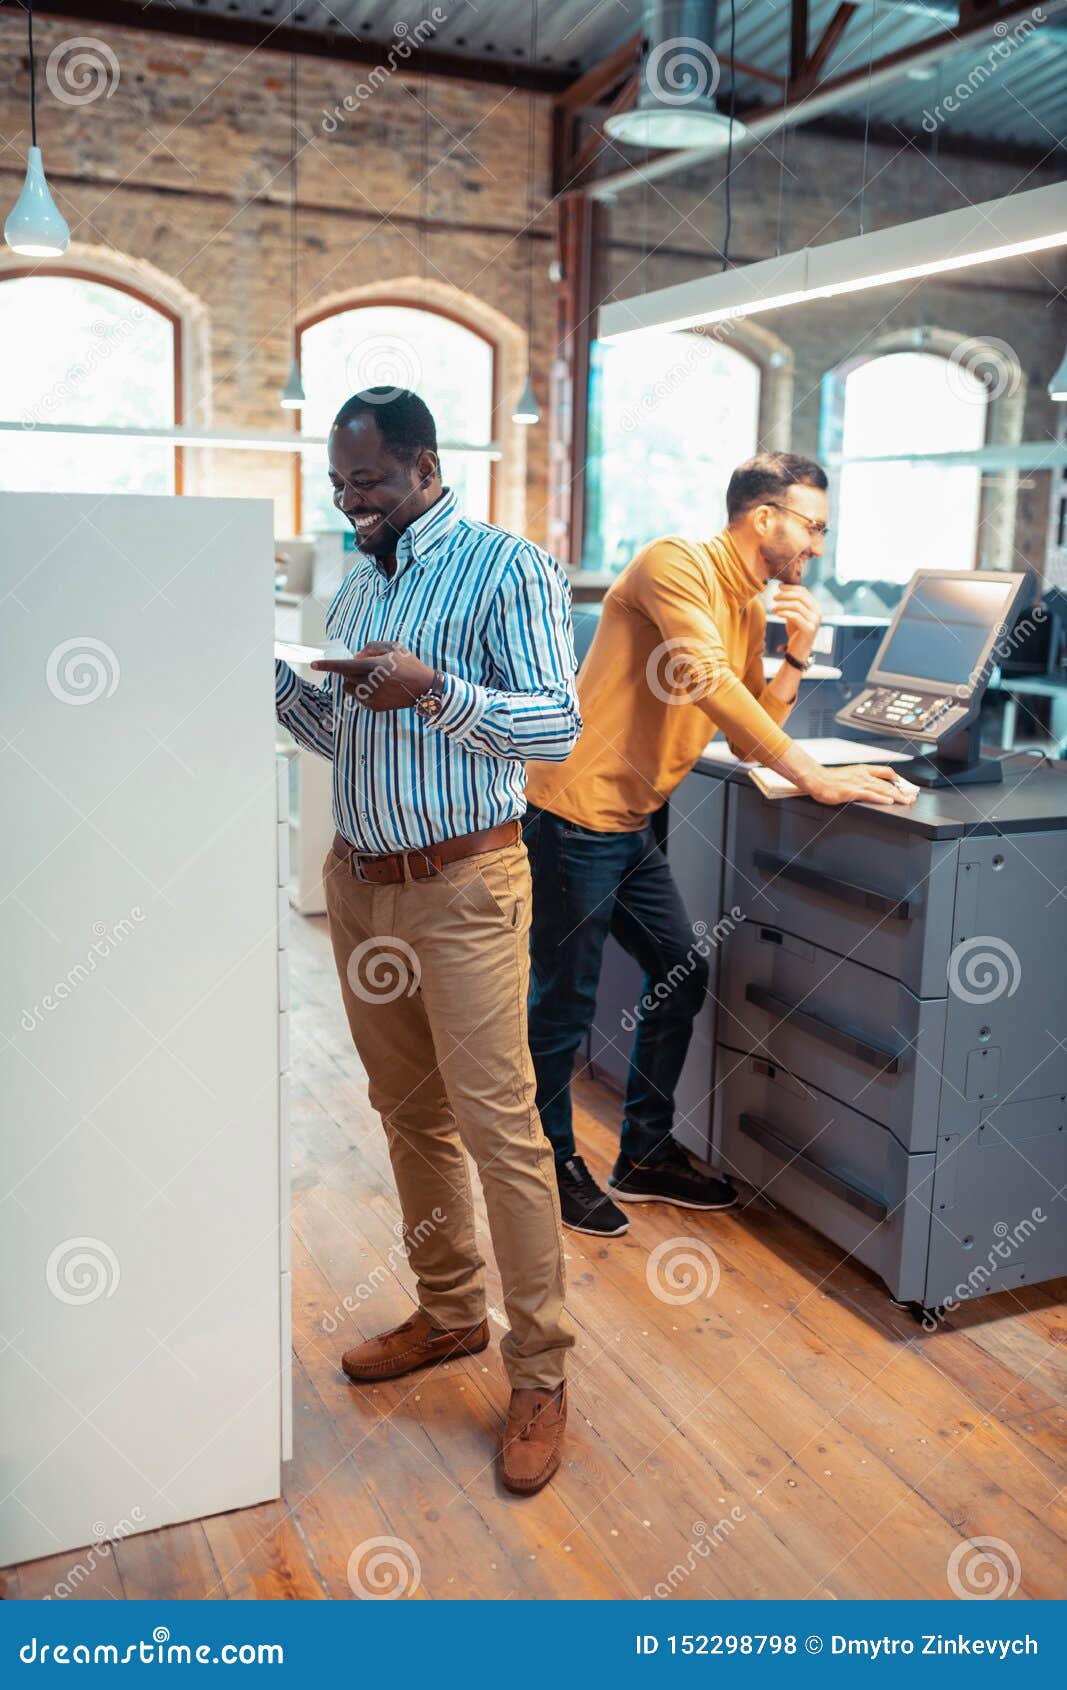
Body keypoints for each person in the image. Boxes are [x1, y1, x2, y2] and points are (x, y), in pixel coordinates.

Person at [276, 388, 579, 1496]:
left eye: (367, 481)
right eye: (340, 482)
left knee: (501, 1127)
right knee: (405, 1114)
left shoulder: (510, 566)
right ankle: (451, 1312)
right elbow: (342, 729)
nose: (350, 501)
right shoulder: (360, 577)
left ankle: (539, 1369)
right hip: (361, 885)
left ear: (422, 464)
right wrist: (273, 683)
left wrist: (438, 690)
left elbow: (554, 722)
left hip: (464, 885)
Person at [524, 451, 916, 1237]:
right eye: (810, 527)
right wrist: (813, 775)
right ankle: (543, 1170)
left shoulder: (744, 601)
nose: (816, 546)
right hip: (573, 814)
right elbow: (706, 680)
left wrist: (797, 653)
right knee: (561, 1006)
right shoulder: (674, 564)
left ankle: (641, 1156)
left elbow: (742, 731)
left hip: (629, 822)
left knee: (680, 969)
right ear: (762, 516)